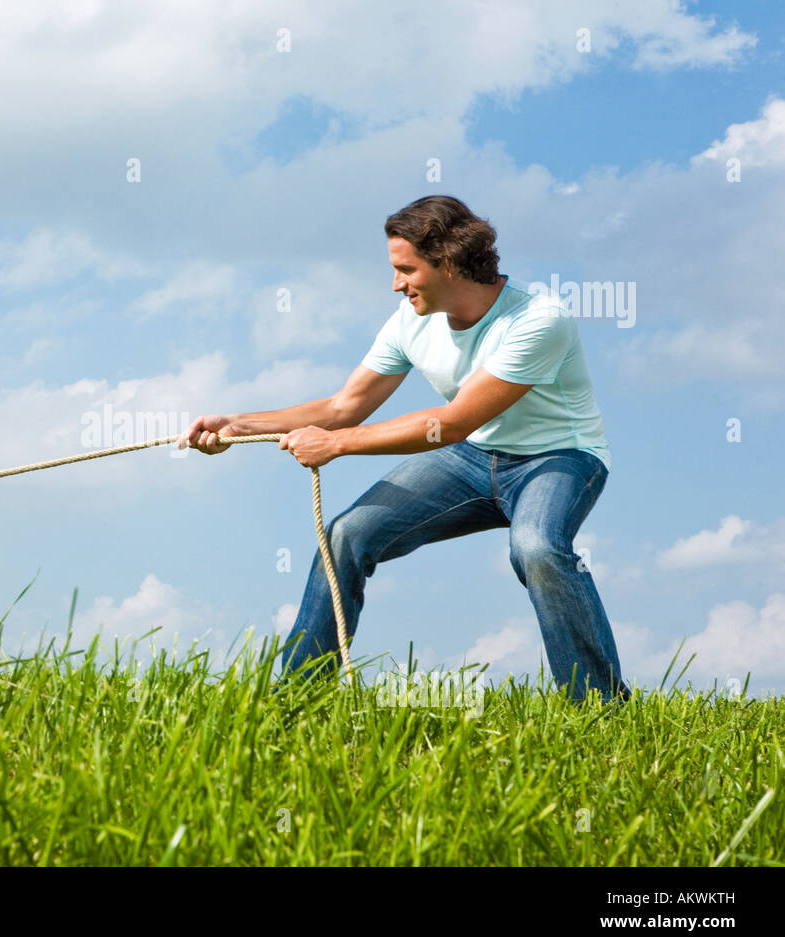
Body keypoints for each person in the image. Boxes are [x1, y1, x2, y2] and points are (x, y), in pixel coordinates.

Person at [179, 195, 630, 702]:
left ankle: (598, 704)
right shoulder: (408, 321)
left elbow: (454, 422)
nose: (396, 283)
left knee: (537, 549)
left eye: (406, 270)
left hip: (559, 457)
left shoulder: (539, 319)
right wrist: (237, 424)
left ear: (451, 261)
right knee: (348, 533)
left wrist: (338, 446)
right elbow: (343, 407)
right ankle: (297, 696)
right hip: (475, 459)